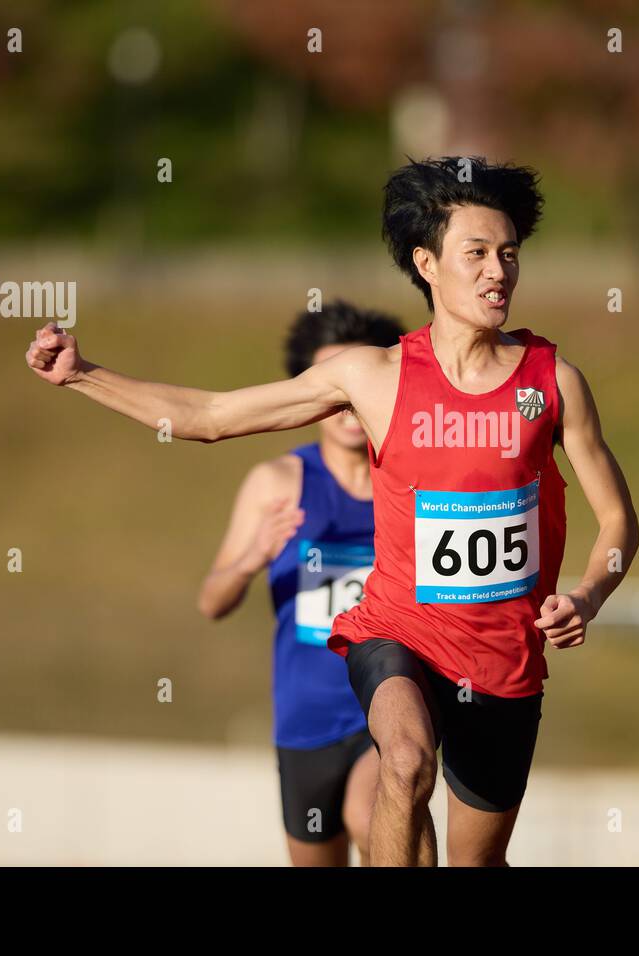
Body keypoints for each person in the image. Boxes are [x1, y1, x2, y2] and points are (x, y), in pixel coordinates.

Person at [25, 156, 639, 867]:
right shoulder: (373, 377)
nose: (497, 271)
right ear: (427, 263)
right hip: (399, 631)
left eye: (508, 254)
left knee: (476, 863)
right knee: (404, 762)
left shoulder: (552, 381)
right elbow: (211, 416)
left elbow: (618, 522)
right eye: (475, 254)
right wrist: (82, 374)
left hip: (504, 656)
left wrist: (589, 595)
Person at [198, 301, 403, 866]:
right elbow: (212, 601)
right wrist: (249, 561)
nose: (344, 404)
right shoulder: (278, 482)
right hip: (305, 725)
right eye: (329, 386)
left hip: (389, 706)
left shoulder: (409, 484)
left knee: (377, 817)